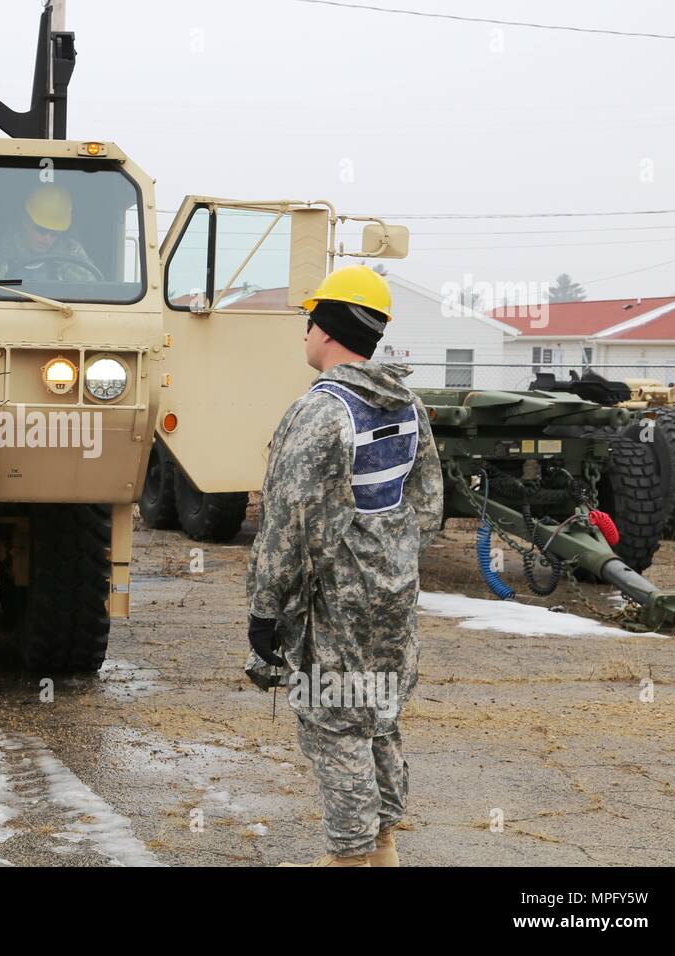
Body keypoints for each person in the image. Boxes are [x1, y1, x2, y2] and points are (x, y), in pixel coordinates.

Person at [246, 265, 444, 867]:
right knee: (380, 716)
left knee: (336, 726)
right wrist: (391, 561)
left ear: (325, 330)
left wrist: (265, 610)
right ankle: (382, 851)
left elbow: (290, 523)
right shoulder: (406, 403)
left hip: (334, 600)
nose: (305, 334)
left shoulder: (321, 411)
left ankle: (351, 860)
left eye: (309, 322)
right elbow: (429, 502)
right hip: (393, 597)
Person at [0, 183, 100, 284]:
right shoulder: (1, 254)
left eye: (55, 234)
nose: (47, 239)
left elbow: (89, 292)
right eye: (42, 230)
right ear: (25, 222)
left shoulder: (71, 254)